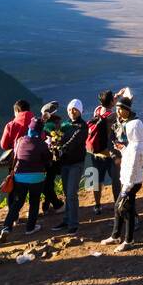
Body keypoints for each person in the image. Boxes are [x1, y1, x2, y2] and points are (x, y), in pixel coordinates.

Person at [103, 96, 143, 251]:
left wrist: (128, 185)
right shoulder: (133, 147)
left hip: (131, 180)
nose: (119, 111)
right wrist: (121, 149)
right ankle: (116, 236)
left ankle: (128, 240)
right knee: (121, 207)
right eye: (118, 108)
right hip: (128, 177)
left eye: (121, 109)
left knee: (123, 207)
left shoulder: (136, 143)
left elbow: (135, 163)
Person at [0, 119, 51, 242]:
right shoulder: (42, 144)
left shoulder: (20, 140)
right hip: (37, 178)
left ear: (30, 129)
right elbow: (48, 159)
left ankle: (6, 228)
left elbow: (16, 156)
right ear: (41, 131)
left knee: (17, 203)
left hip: (20, 177)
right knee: (34, 201)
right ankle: (30, 228)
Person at [54, 99, 89, 232]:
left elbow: (74, 141)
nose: (72, 112)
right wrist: (54, 144)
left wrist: (61, 148)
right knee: (66, 193)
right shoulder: (65, 125)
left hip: (76, 163)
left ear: (80, 110)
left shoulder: (82, 126)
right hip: (65, 163)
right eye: (69, 109)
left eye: (74, 109)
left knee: (71, 193)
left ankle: (73, 224)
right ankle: (67, 219)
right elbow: (59, 138)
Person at [87, 90, 121, 214]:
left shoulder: (97, 110)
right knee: (116, 180)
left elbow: (106, 103)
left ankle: (97, 206)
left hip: (96, 153)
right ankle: (118, 205)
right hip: (109, 153)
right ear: (111, 101)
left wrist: (115, 96)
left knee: (96, 180)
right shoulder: (113, 116)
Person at [40, 102, 65, 211]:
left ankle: (53, 204)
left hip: (48, 158)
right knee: (49, 180)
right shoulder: (57, 123)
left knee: (46, 182)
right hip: (56, 157)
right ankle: (49, 204)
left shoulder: (47, 125)